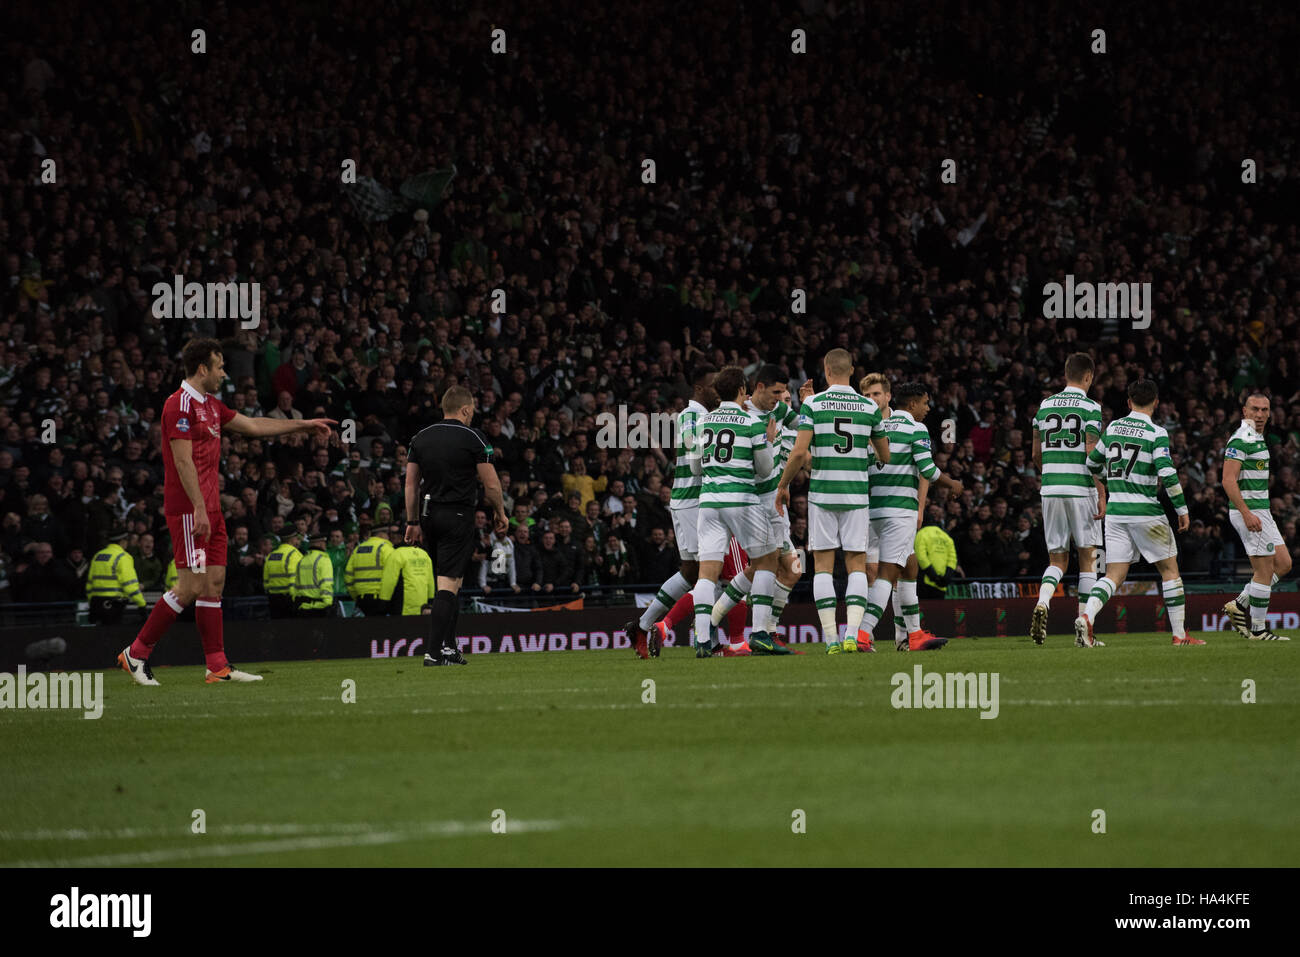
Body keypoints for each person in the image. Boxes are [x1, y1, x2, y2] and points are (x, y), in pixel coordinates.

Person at [117, 338, 336, 686]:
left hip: (211, 509)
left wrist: (304, 424)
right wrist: (200, 509)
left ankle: (217, 667)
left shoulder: (211, 405)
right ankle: (136, 652)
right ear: (202, 368)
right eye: (219, 366)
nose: (223, 373)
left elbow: (253, 426)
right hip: (191, 510)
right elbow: (182, 460)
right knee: (189, 586)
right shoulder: (179, 405)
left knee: (213, 585)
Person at [776, 348, 890, 653]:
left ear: (827, 371)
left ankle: (830, 638)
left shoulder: (813, 404)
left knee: (823, 567)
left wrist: (782, 485)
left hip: (823, 494)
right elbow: (884, 454)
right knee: (856, 566)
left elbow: (799, 453)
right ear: (851, 371)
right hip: (855, 495)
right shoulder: (868, 407)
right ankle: (852, 634)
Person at [1077, 379, 1199, 646]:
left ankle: (1086, 615)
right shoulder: (1156, 433)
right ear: (1155, 403)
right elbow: (1167, 472)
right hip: (1146, 510)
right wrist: (1182, 509)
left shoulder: (1113, 428)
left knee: (1113, 575)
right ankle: (1179, 635)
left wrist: (1108, 482)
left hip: (1117, 512)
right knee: (1169, 571)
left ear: (1129, 402)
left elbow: (1091, 462)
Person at [405, 385, 508, 666]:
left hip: (427, 516)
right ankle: (433, 652)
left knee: (451, 583)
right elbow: (491, 484)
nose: (472, 416)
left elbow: (411, 484)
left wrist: (412, 521)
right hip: (458, 517)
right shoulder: (474, 437)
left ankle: (449, 647)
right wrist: (500, 512)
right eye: (472, 411)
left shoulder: (420, 438)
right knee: (448, 586)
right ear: (465, 410)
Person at [688, 365, 784, 656]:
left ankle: (703, 640)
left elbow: (695, 468)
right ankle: (760, 633)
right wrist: (768, 442)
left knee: (707, 572)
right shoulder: (751, 422)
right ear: (743, 390)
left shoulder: (702, 422)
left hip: (709, 501)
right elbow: (766, 469)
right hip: (742, 499)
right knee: (766, 561)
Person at [859, 382, 961, 651]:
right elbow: (927, 470)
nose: (928, 409)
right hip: (900, 511)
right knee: (887, 574)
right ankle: (863, 633)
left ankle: (911, 635)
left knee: (909, 567)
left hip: (875, 510)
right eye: (925, 403)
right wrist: (952, 484)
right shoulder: (916, 429)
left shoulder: (878, 428)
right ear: (912, 404)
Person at [627, 363, 714, 658]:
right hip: (692, 501)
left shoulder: (706, 415)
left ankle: (642, 625)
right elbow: (692, 448)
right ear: (700, 387)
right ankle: (708, 640)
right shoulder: (691, 414)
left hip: (700, 501)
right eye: (714, 385)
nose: (719, 391)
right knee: (709, 570)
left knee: (692, 572)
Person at [1029, 353, 1106, 644]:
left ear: (1065, 374)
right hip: (1081, 488)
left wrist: (1049, 473)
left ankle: (1044, 601)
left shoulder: (1045, 405)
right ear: (1088, 377)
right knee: (1088, 558)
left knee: (1057, 559)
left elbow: (1035, 454)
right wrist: (1101, 490)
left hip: (1050, 488)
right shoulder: (1091, 407)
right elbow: (1092, 452)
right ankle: (1084, 631)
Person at [1221, 392, 1293, 639]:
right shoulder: (1240, 439)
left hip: (1261, 510)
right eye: (1255, 409)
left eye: (1264, 410)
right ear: (1244, 411)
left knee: (1284, 564)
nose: (1260, 414)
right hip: (1249, 511)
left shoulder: (1257, 438)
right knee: (1263, 571)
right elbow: (1227, 480)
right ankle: (1259, 630)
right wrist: (1246, 513)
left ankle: (1240, 604)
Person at [86, 529, 147, 624]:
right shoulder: (123, 557)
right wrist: (141, 604)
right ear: (122, 541)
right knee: (113, 636)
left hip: (95, 604)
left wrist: (92, 601)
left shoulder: (98, 556)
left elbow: (89, 584)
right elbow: (130, 586)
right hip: (114, 606)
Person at [381, 533, 438, 616]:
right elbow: (430, 581)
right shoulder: (424, 554)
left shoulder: (397, 554)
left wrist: (383, 602)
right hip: (422, 607)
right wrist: (430, 600)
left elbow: (389, 581)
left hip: (402, 607)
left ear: (401, 538)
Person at [346, 523, 396, 616]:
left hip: (361, 600)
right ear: (381, 535)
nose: (389, 537)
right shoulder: (386, 549)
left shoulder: (358, 549)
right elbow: (392, 576)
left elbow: (348, 577)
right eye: (387, 534)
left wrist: (356, 596)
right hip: (381, 599)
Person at [263, 529, 304, 618]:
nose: (298, 541)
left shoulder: (271, 555)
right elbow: (294, 578)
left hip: (273, 598)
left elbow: (266, 579)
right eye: (297, 538)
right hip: (289, 599)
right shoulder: (294, 554)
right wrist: (295, 598)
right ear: (292, 540)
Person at [295, 531, 335, 617]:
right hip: (319, 607)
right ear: (321, 544)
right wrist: (328, 602)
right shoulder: (323, 560)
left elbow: (296, 585)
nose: (325, 546)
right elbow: (326, 583)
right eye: (324, 543)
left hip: (303, 606)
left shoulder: (302, 560)